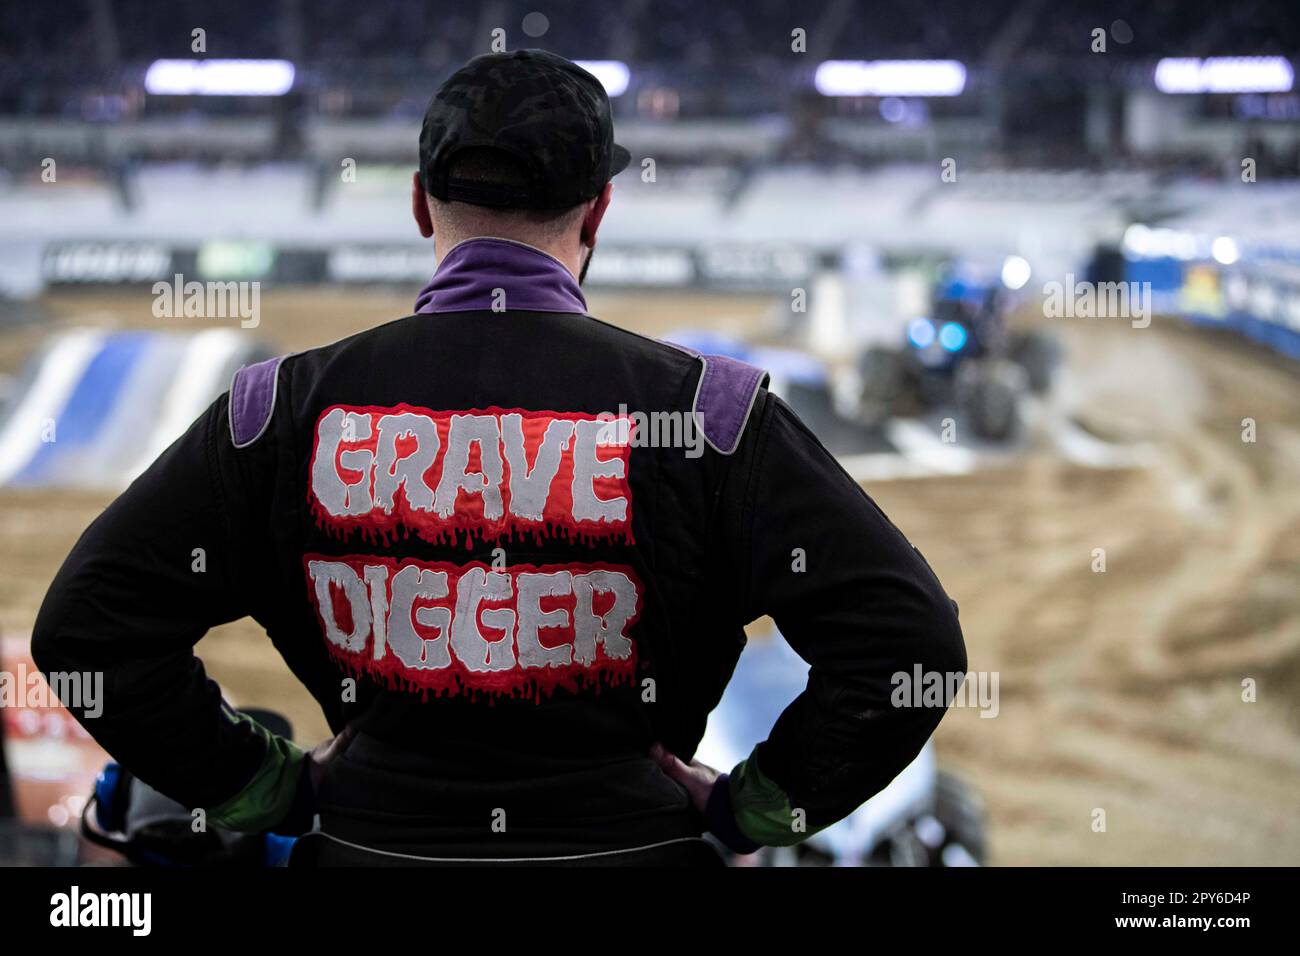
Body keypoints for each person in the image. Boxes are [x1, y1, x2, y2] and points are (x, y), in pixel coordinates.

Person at [33, 49, 966, 866]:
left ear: (417, 202)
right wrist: (752, 807)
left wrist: (262, 788)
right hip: (635, 848)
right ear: (598, 211)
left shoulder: (274, 410)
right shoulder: (711, 414)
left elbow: (87, 633)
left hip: (367, 845)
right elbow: (907, 644)